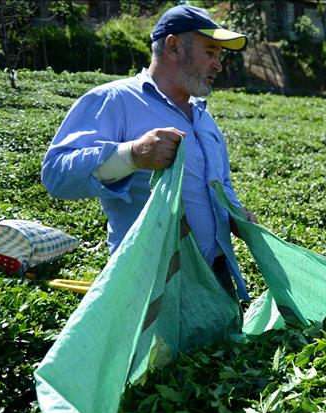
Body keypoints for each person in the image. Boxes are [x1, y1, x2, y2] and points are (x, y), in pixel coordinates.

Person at [42, 5, 256, 300]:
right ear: (174, 47)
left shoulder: (203, 116)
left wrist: (235, 215)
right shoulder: (114, 100)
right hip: (153, 280)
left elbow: (221, 184)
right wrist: (132, 155)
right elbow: (56, 175)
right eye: (210, 52)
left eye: (219, 55)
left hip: (216, 275)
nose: (218, 65)